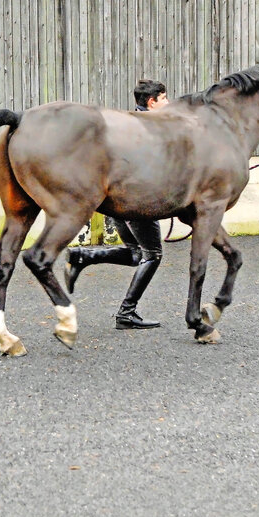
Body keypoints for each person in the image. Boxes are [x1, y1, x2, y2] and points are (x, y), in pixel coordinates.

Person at [63, 79, 169, 330]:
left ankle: (83, 255)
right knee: (152, 254)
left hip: (116, 203)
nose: (168, 103)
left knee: (135, 253)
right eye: (164, 98)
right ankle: (126, 313)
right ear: (152, 102)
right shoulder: (152, 127)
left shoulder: (127, 124)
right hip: (138, 201)